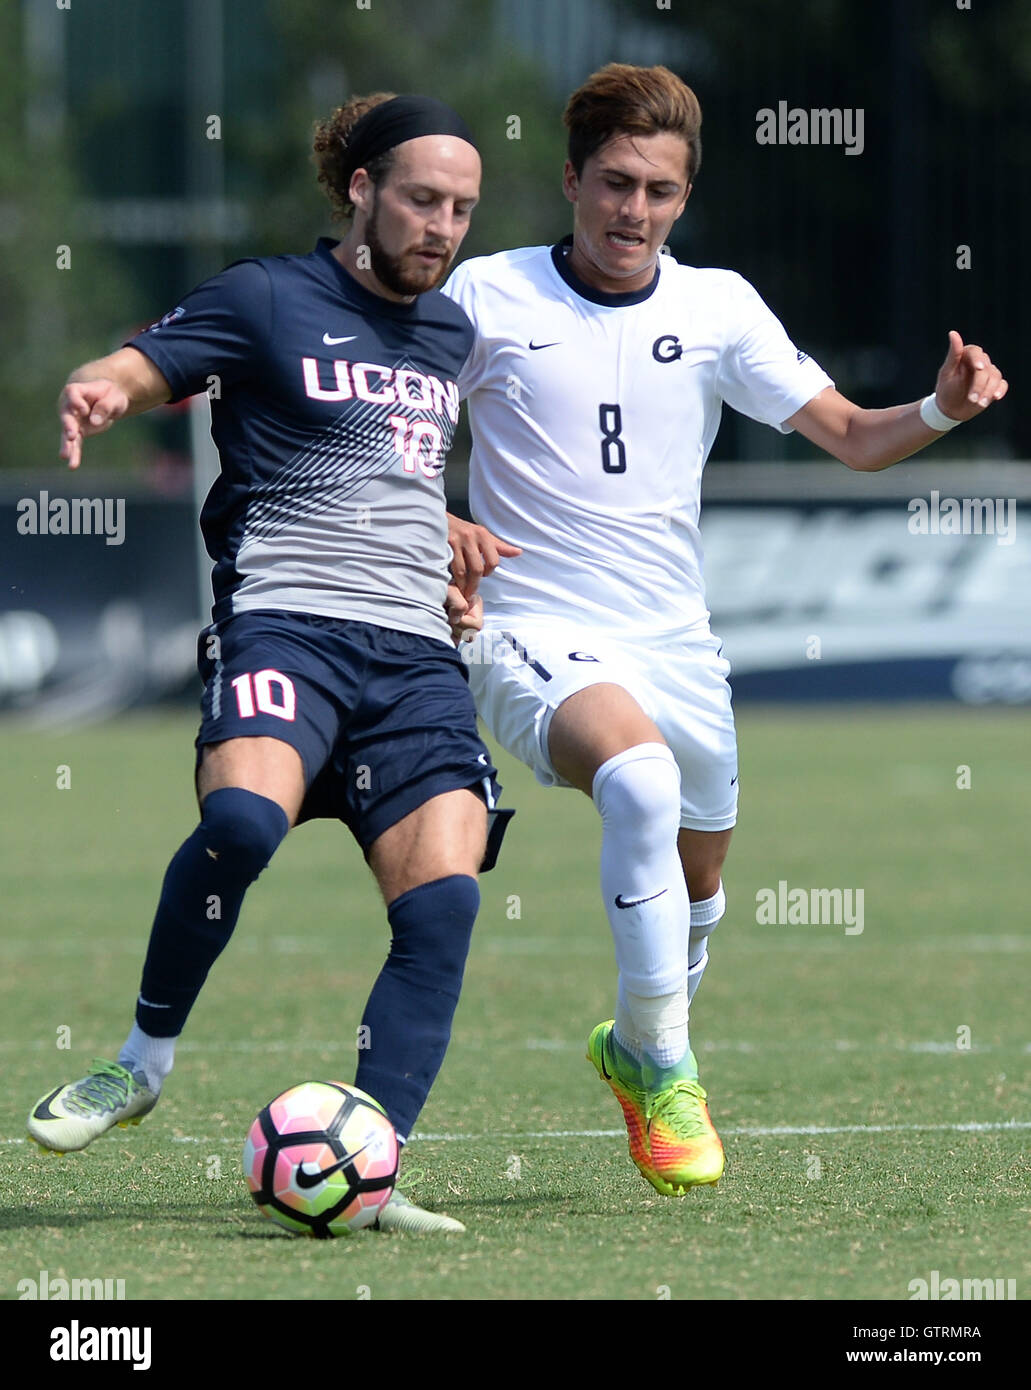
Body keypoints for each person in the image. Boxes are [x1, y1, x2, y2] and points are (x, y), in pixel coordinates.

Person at [443, 63, 1008, 1197]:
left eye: (657, 190)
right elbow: (387, 429)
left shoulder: (717, 308)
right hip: (531, 628)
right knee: (639, 785)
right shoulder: (483, 297)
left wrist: (941, 407)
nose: (631, 211)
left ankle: (636, 1037)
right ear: (568, 179)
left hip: (676, 643)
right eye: (612, 183)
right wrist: (436, 518)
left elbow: (848, 434)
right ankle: (663, 1068)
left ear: (683, 198)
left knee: (698, 895)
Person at [28, 92, 509, 1234]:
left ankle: (375, 1161)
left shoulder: (448, 333)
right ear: (360, 190)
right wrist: (105, 383)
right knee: (240, 829)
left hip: (414, 661)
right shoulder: (266, 296)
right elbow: (152, 361)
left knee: (441, 905)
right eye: (421, 200)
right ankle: (140, 1063)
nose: (442, 226)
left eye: (462, 209)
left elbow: (391, 468)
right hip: (285, 627)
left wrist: (447, 533)